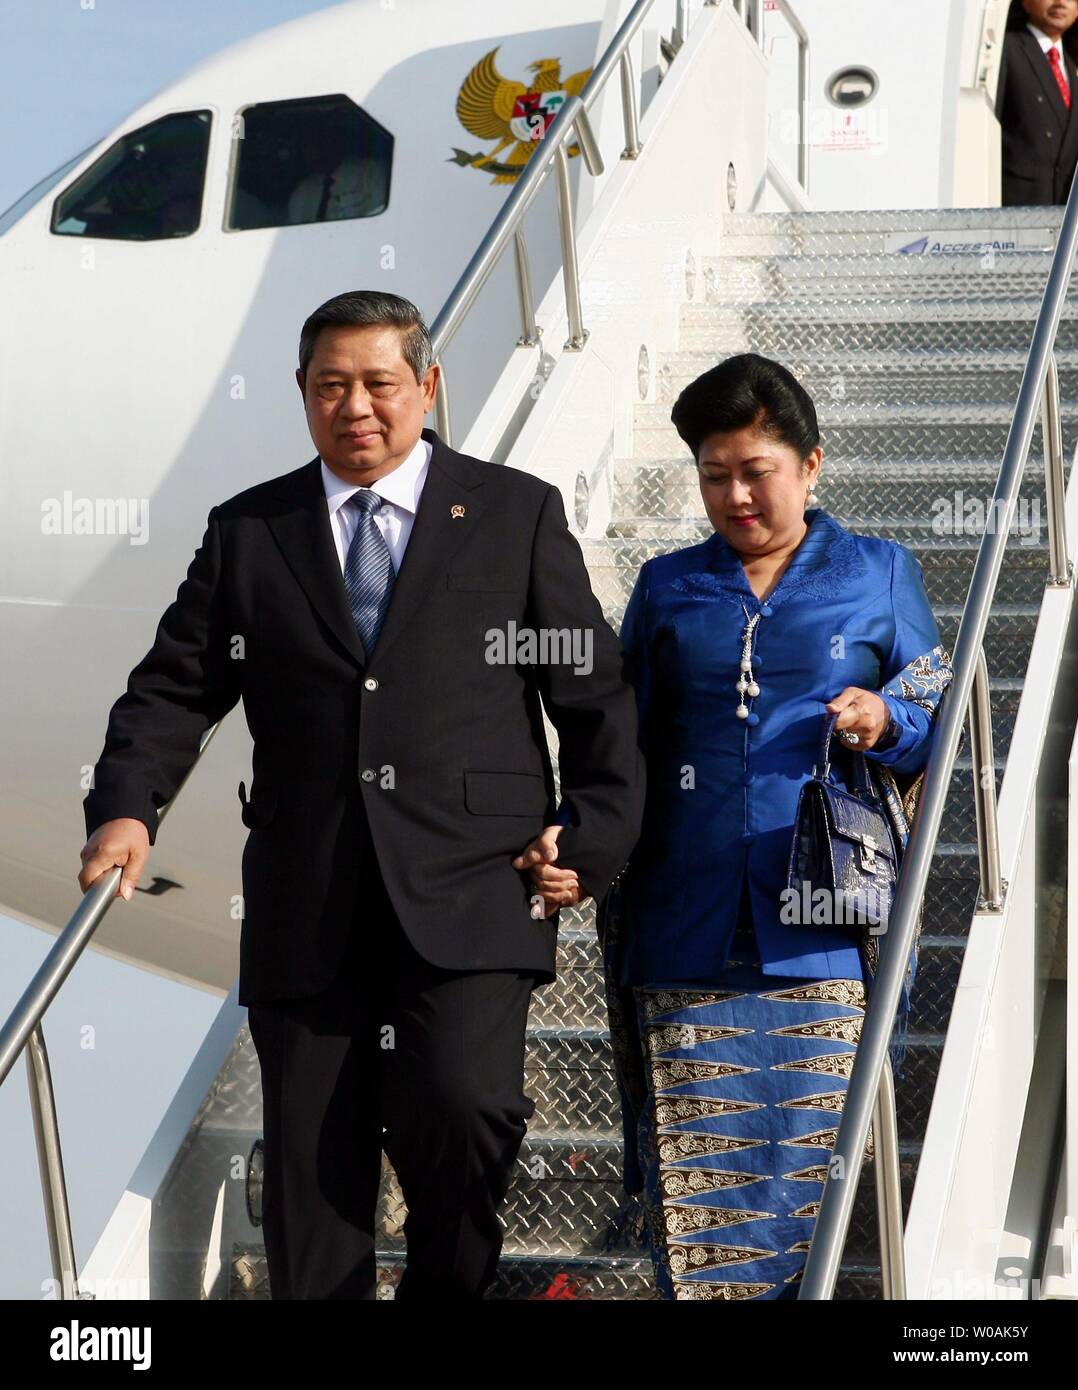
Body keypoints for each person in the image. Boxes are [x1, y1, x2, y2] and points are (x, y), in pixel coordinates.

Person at [77, 289, 644, 1300]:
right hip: (310, 900)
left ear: (426, 386)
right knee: (310, 1179)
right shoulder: (254, 530)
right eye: (331, 386)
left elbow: (595, 696)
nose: (356, 407)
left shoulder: (513, 514)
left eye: (379, 383)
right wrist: (127, 807)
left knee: (466, 1111)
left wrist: (589, 837)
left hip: (476, 886)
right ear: (301, 393)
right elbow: (173, 687)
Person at [565, 353, 954, 1300]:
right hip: (682, 918)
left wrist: (884, 719)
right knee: (699, 1188)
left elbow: (937, 712)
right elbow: (618, 741)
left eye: (756, 471)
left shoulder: (879, 571)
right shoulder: (667, 585)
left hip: (822, 927)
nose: (735, 495)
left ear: (811, 465)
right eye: (713, 473)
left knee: (800, 1175)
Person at [996, 0, 1078, 205]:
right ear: (1025, 3)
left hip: (1062, 213)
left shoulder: (1070, 67)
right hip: (1017, 209)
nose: (1060, 3)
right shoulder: (1006, 50)